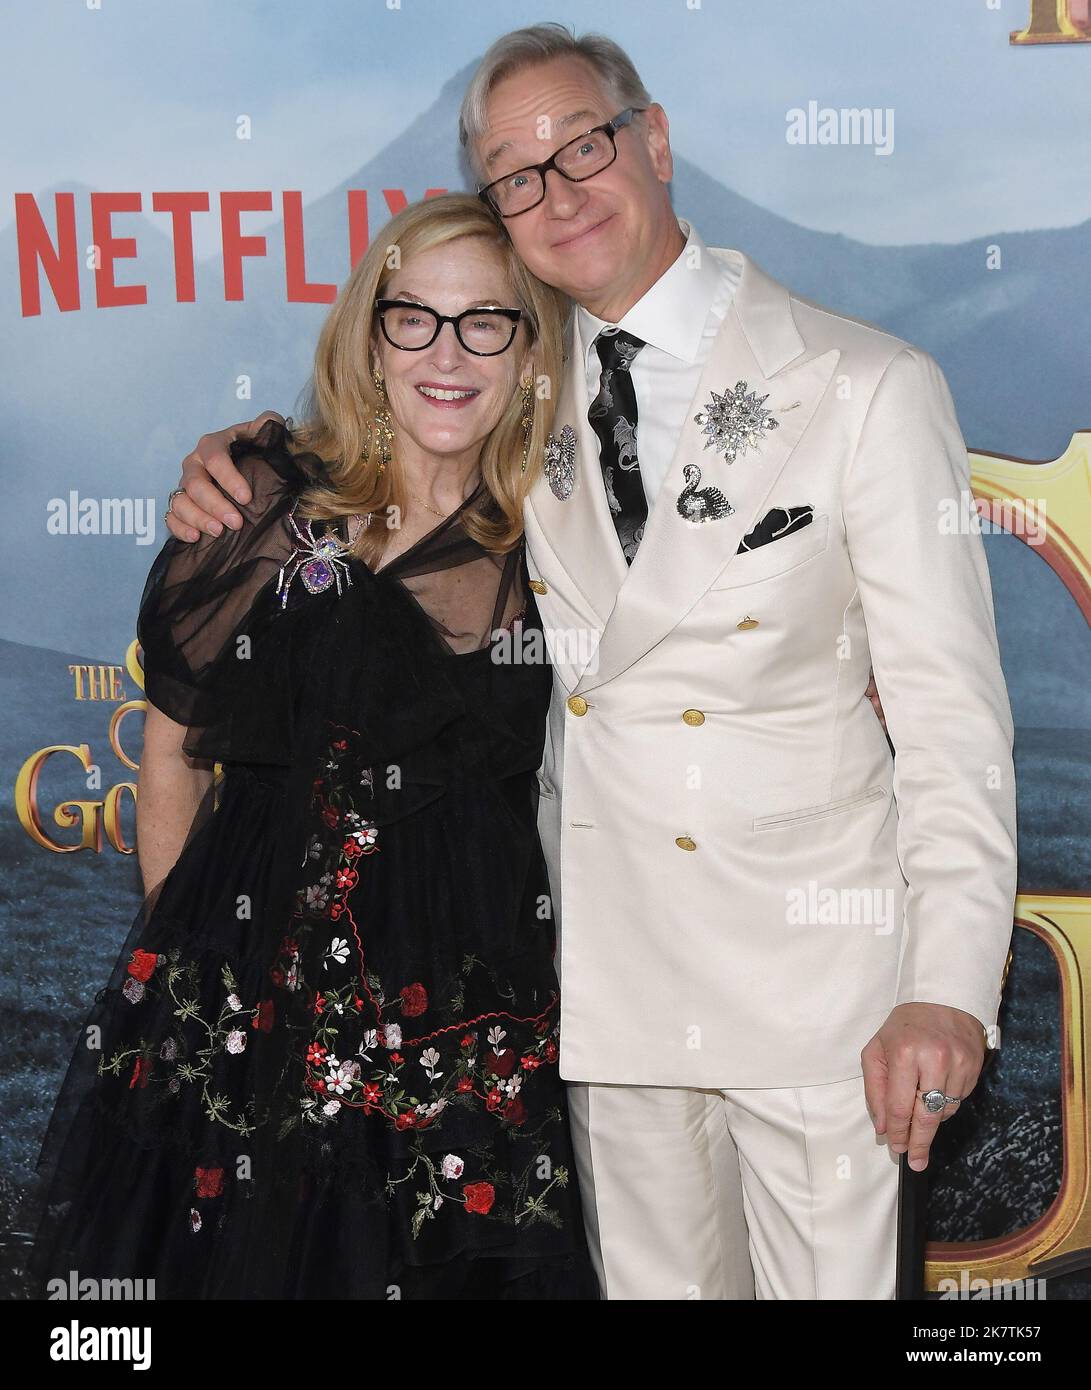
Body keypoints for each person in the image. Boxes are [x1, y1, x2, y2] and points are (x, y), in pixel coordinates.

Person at [164, 24, 1018, 1300]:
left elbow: (953, 729)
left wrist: (945, 990)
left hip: (818, 1007)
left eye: (582, 147)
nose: (555, 194)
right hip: (605, 1008)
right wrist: (237, 462)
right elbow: (380, 433)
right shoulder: (515, 379)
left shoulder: (862, 385)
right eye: (515, 175)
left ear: (655, 139)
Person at [26, 191, 601, 1301]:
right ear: (368, 336)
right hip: (248, 1004)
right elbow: (171, 756)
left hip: (462, 1032)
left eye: (486, 320)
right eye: (413, 317)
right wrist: (191, 986)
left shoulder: (559, 543)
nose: (446, 352)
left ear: (529, 346)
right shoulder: (261, 505)